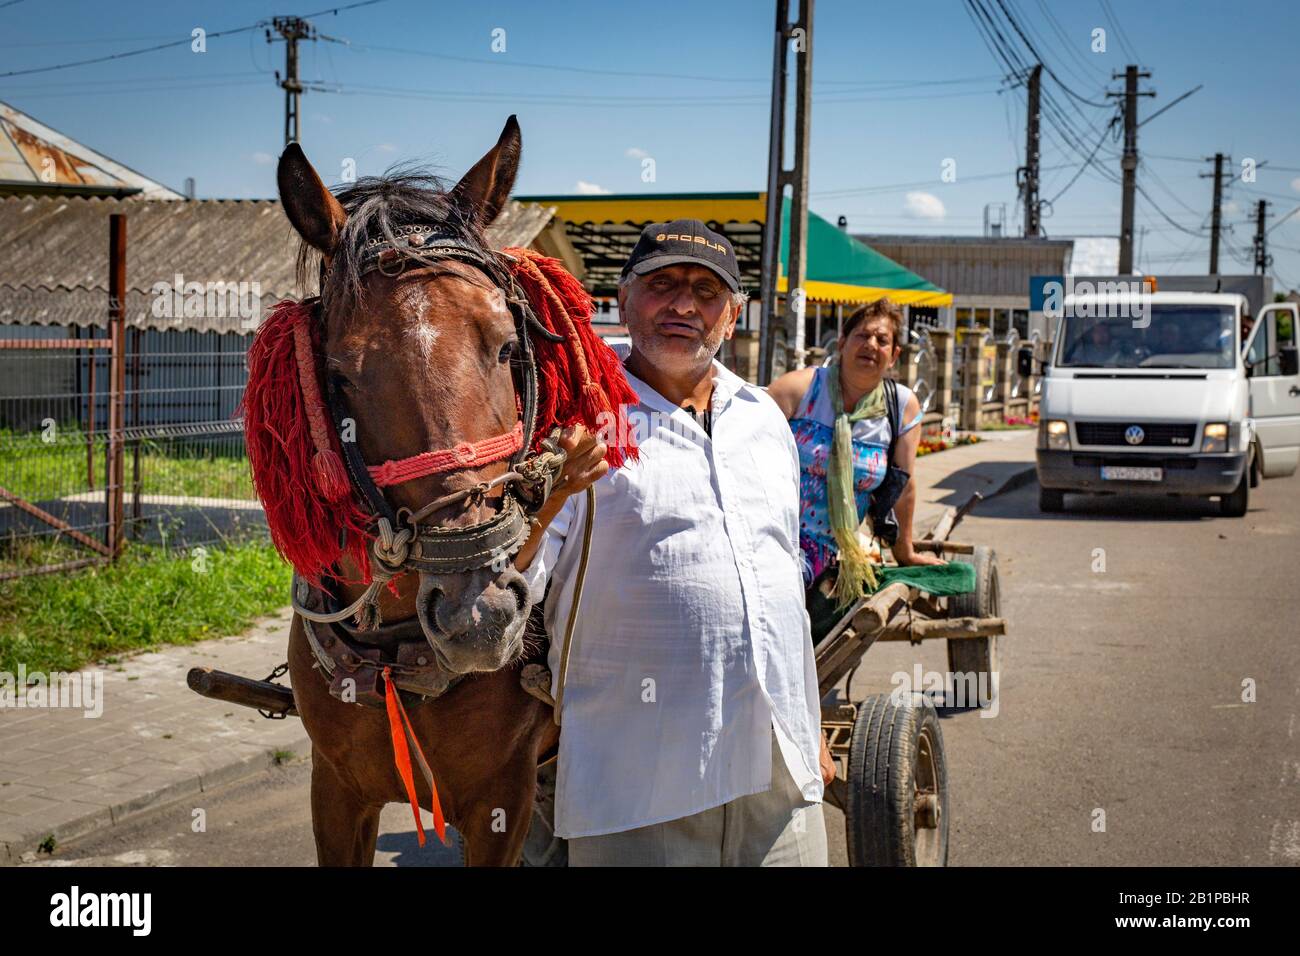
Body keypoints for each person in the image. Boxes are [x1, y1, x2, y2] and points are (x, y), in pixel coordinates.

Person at [514, 219, 829, 866]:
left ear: (732, 316)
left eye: (706, 291)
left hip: (780, 775)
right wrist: (544, 498)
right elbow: (512, 590)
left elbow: (782, 590)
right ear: (624, 301)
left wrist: (811, 726)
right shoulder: (576, 423)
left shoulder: (765, 419)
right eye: (662, 285)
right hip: (637, 782)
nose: (684, 304)